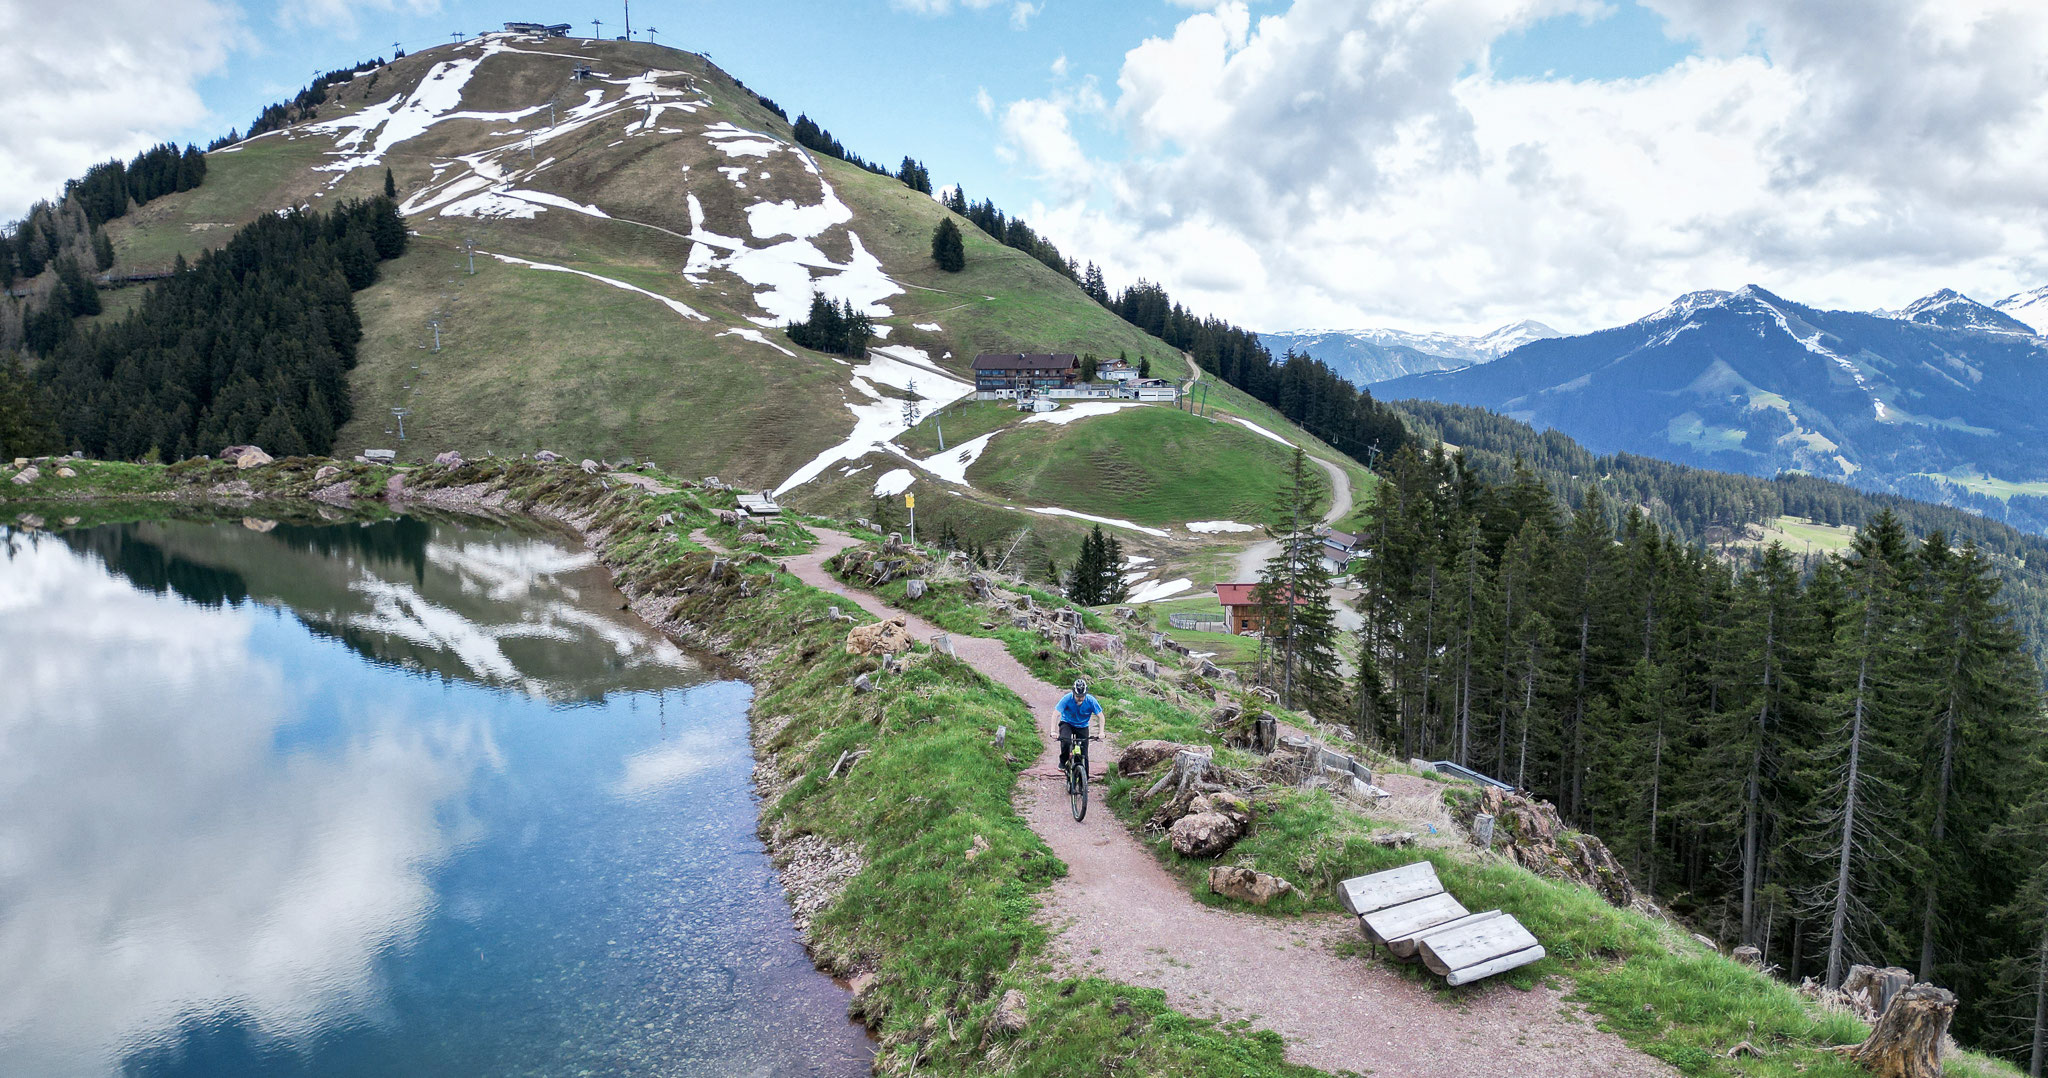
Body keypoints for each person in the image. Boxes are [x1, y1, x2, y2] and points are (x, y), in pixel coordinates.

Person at [1055, 677, 1103, 777]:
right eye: (1077, 696)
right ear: (1073, 693)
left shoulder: (1091, 701)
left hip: (1082, 726)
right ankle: (1063, 762)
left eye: (1082, 696)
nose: (1080, 698)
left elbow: (1101, 716)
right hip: (1067, 723)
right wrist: (1052, 731)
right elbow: (1055, 714)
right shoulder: (1067, 698)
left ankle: (1084, 779)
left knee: (1084, 753)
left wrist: (1101, 732)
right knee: (1066, 741)